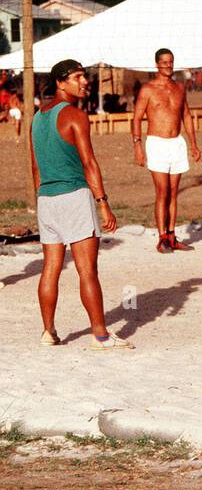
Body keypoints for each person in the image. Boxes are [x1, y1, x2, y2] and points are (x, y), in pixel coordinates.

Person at [29, 59, 129, 350]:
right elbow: (89, 163)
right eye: (78, 77)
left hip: (46, 199)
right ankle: (100, 335)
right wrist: (103, 203)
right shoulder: (75, 115)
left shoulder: (36, 118)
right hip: (74, 196)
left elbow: (35, 168)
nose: (85, 81)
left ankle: (48, 331)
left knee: (50, 267)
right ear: (61, 83)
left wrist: (44, 199)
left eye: (85, 76)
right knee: (87, 271)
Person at [132, 48, 201, 253]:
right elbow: (136, 118)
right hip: (157, 143)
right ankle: (161, 238)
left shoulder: (179, 87)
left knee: (173, 192)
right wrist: (137, 146)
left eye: (171, 62)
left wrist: (193, 144)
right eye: (164, 62)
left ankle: (172, 236)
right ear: (157, 64)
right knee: (162, 192)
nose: (168, 65)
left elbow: (186, 116)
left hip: (176, 143)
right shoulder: (148, 89)